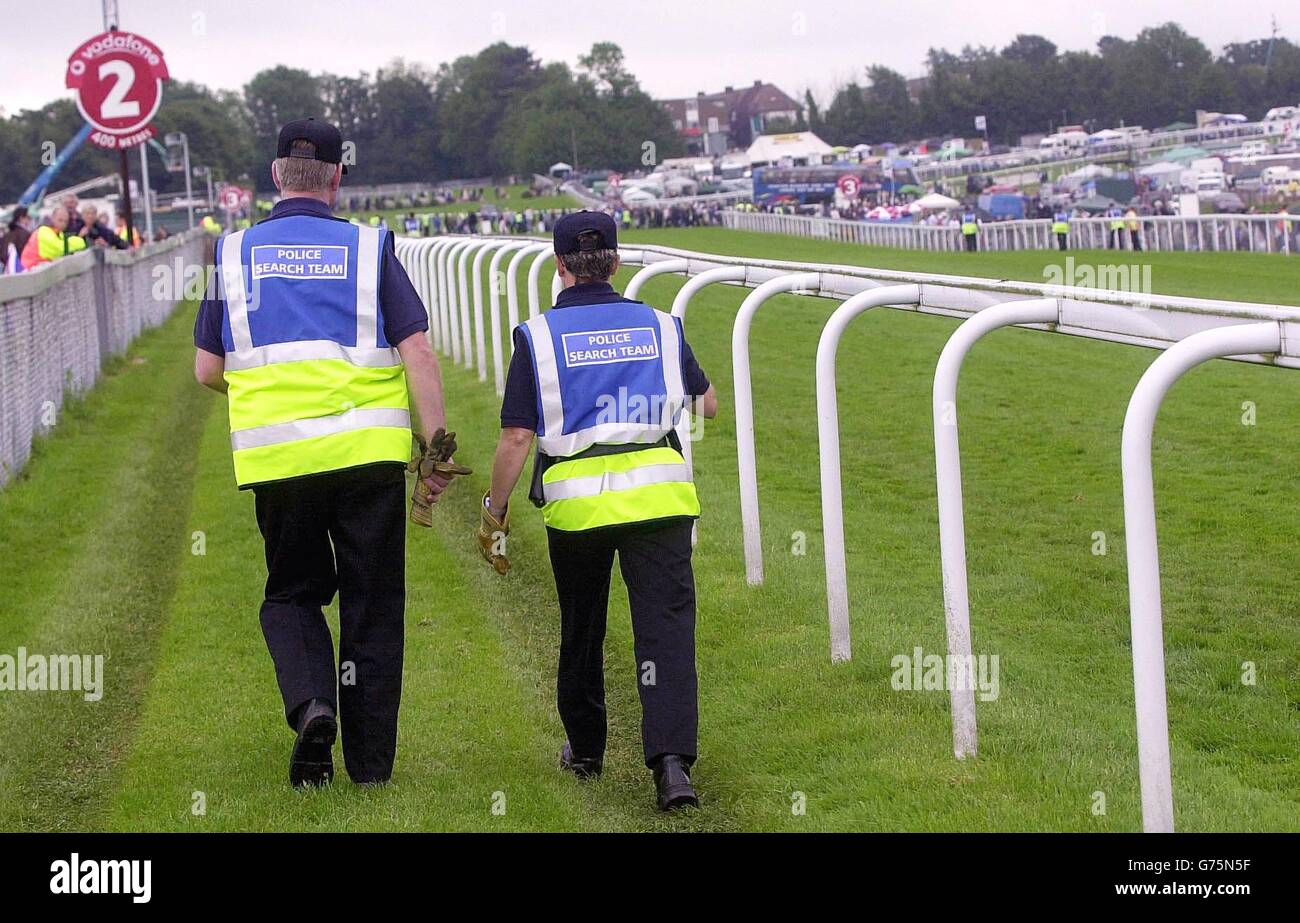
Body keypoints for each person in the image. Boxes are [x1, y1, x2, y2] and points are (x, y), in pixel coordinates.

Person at [192, 118, 465, 788]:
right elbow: (419, 350)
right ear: (339, 177)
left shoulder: (231, 254)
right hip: (367, 454)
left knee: (291, 593)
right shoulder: (371, 247)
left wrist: (268, 395)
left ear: (276, 175)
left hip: (278, 458)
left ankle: (314, 702)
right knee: (374, 603)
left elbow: (205, 369)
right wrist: (435, 450)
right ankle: (371, 769)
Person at [480, 211, 718, 812]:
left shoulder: (536, 337)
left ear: (559, 266)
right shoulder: (663, 326)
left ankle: (586, 750)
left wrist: (495, 510)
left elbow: (516, 438)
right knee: (664, 631)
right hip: (661, 501)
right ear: (616, 261)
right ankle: (671, 766)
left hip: (578, 512)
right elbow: (707, 404)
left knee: (582, 628)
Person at [20, 206, 87, 268]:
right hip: (30, 270)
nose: (63, 224)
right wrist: (80, 239)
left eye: (66, 221)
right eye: (60, 220)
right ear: (52, 218)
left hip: (40, 269)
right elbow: (60, 248)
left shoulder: (57, 233)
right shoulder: (43, 231)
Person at [1, 207, 33, 273]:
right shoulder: (25, 234)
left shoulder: (7, 235)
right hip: (22, 270)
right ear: (21, 218)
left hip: (7, 270)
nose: (30, 219)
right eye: (28, 217)